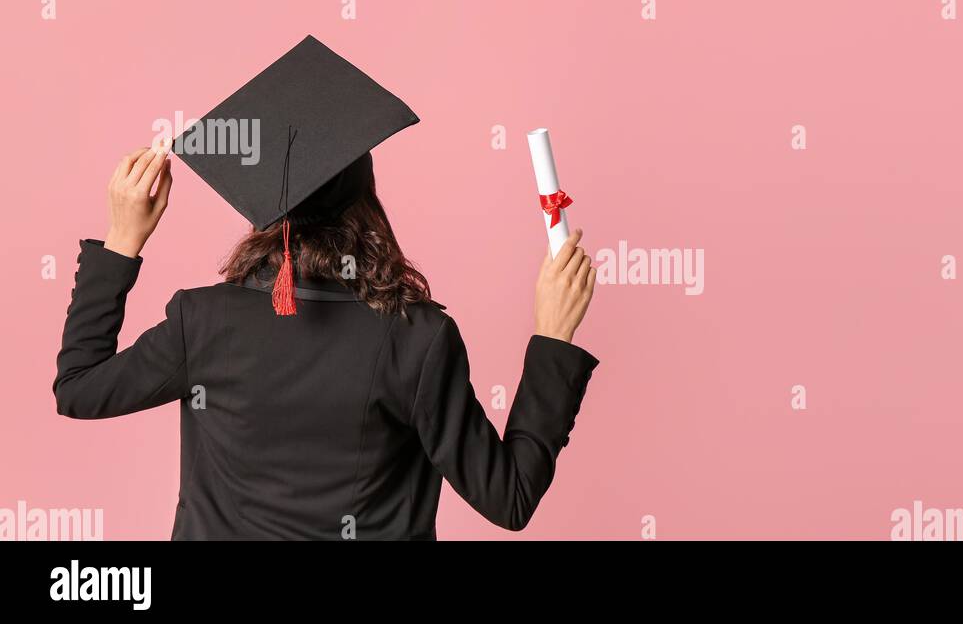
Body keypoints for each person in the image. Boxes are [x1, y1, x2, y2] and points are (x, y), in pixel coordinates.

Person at [52, 36, 599, 540]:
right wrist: (553, 338)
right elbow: (510, 498)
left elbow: (79, 388)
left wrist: (123, 241)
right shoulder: (418, 340)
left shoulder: (202, 322)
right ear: (367, 198)